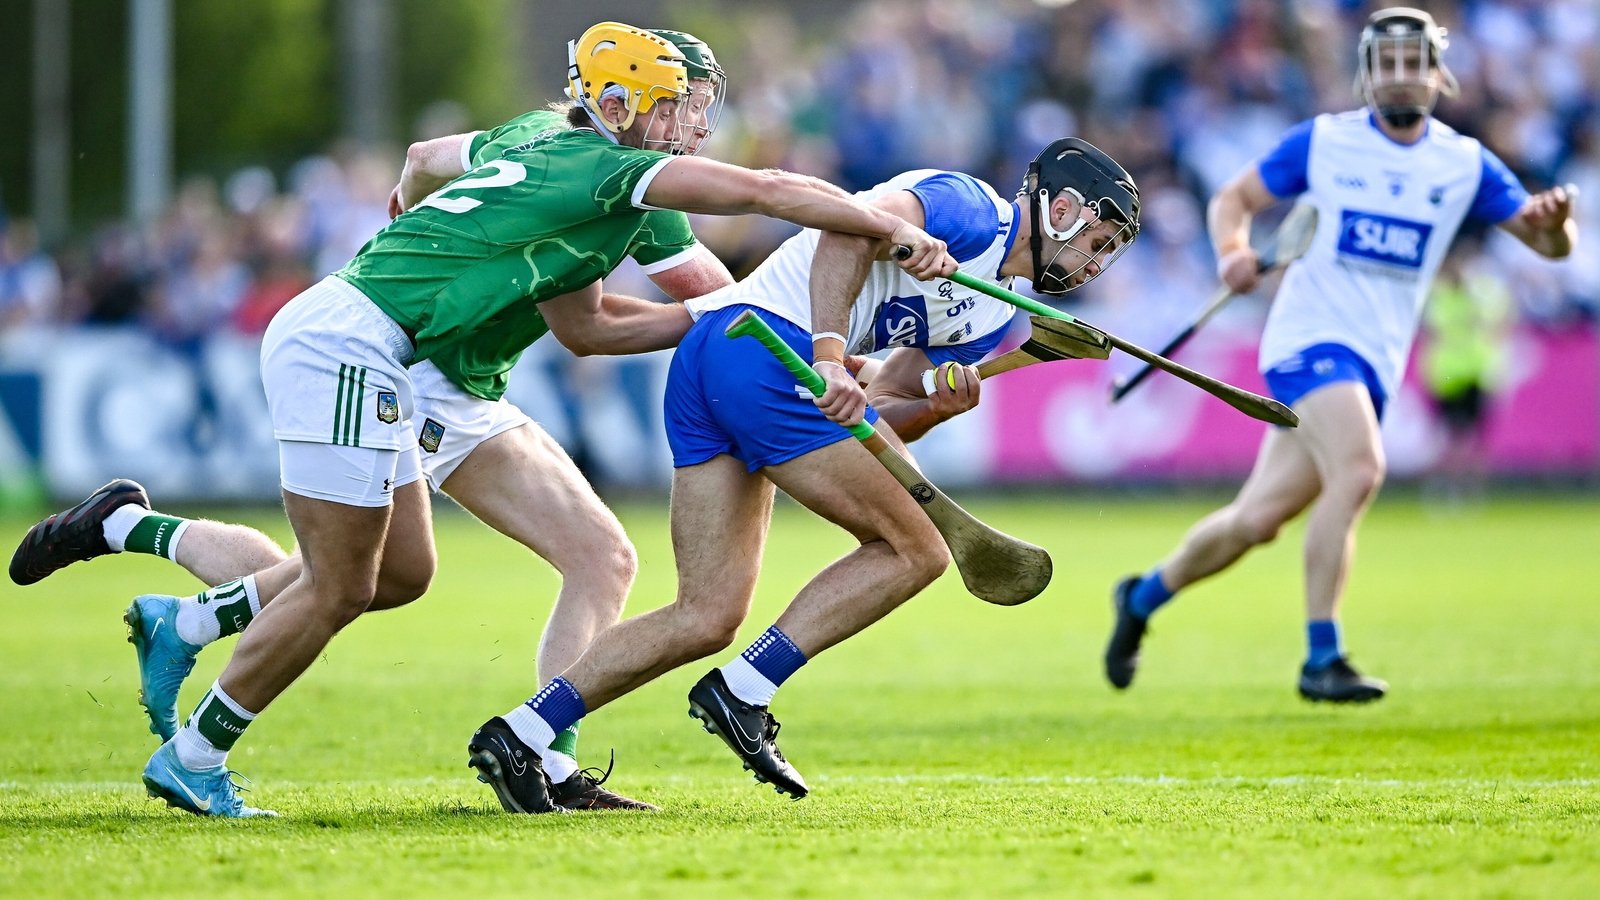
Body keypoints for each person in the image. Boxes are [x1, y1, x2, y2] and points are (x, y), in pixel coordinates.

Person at [11, 21, 956, 819]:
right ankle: (198, 752)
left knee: (399, 573)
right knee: (343, 582)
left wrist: (412, 236)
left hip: (393, 351)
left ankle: (158, 575)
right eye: (676, 106)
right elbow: (766, 196)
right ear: (619, 103)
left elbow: (558, 296)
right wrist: (889, 228)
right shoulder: (619, 175)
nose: (693, 126)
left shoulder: (539, 140)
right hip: (371, 349)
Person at [462, 137, 1139, 811]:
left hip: (722, 360)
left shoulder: (995, 311)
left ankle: (522, 733)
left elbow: (878, 416)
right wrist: (831, 357)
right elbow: (844, 231)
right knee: (919, 548)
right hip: (766, 347)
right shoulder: (970, 209)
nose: (1096, 264)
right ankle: (744, 691)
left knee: (707, 615)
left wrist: (936, 406)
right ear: (1062, 209)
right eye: (1098, 242)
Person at [1103, 7, 1576, 704]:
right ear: (1367, 73)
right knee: (1360, 469)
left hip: (1376, 359)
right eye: (1387, 63)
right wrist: (1232, 252)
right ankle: (1322, 656)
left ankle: (1140, 597)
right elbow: (1234, 199)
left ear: (1437, 75)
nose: (1400, 75)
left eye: (1413, 62)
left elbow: (1546, 244)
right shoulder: (1324, 142)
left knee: (1256, 521)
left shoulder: (1464, 163)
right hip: (1309, 340)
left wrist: (1556, 230)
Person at [1420, 239, 1512, 507]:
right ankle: (1448, 487)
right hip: (1449, 375)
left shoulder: (1482, 292)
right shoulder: (1439, 295)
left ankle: (1469, 489)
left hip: (1477, 372)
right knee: (1451, 435)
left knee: (1476, 436)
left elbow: (1500, 323)